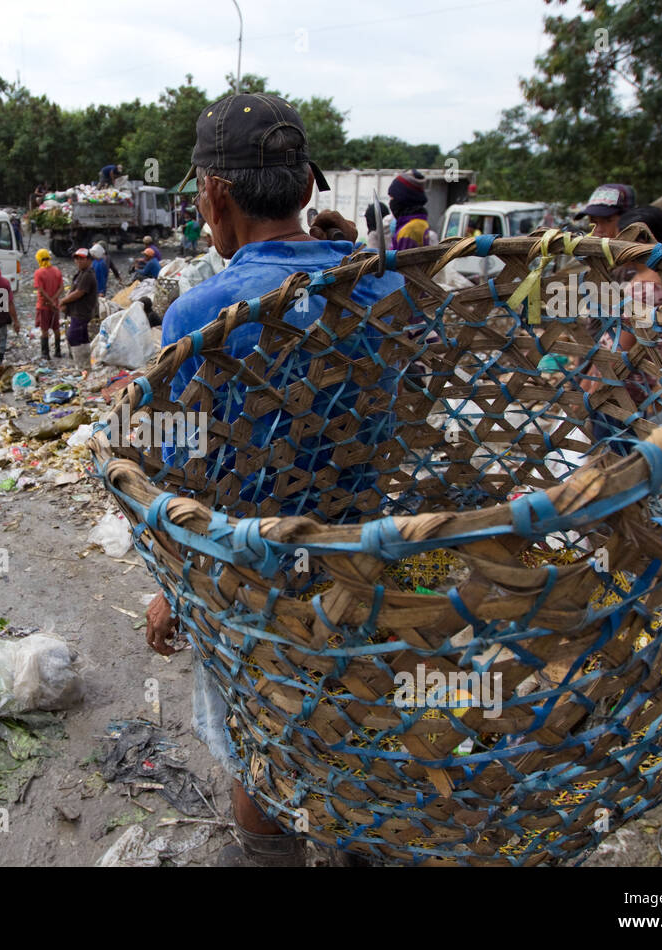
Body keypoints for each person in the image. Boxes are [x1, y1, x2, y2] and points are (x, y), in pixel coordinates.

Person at [151, 91, 405, 866]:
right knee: (355, 729)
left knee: (260, 742)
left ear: (216, 195)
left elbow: (181, 476)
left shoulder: (199, 314)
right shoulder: (386, 288)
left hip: (249, 588)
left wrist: (169, 588)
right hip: (365, 565)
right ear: (304, 190)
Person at [57, 248, 97, 367]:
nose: (78, 261)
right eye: (77, 258)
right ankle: (85, 365)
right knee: (82, 338)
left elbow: (79, 292)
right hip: (77, 312)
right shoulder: (81, 274)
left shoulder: (87, 275)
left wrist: (63, 301)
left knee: (73, 336)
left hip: (82, 312)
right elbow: (73, 291)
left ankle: (81, 365)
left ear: (89, 260)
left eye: (81, 258)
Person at [387, 169, 434, 251]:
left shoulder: (409, 231)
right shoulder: (420, 222)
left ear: (403, 199)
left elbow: (402, 262)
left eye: (393, 198)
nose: (390, 202)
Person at [32, 248, 64, 361]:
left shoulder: (38, 273)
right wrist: (54, 300)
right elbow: (61, 288)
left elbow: (40, 290)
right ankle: (58, 351)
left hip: (43, 306)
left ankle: (45, 354)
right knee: (56, 329)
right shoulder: (56, 270)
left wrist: (49, 301)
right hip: (55, 306)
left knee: (44, 330)